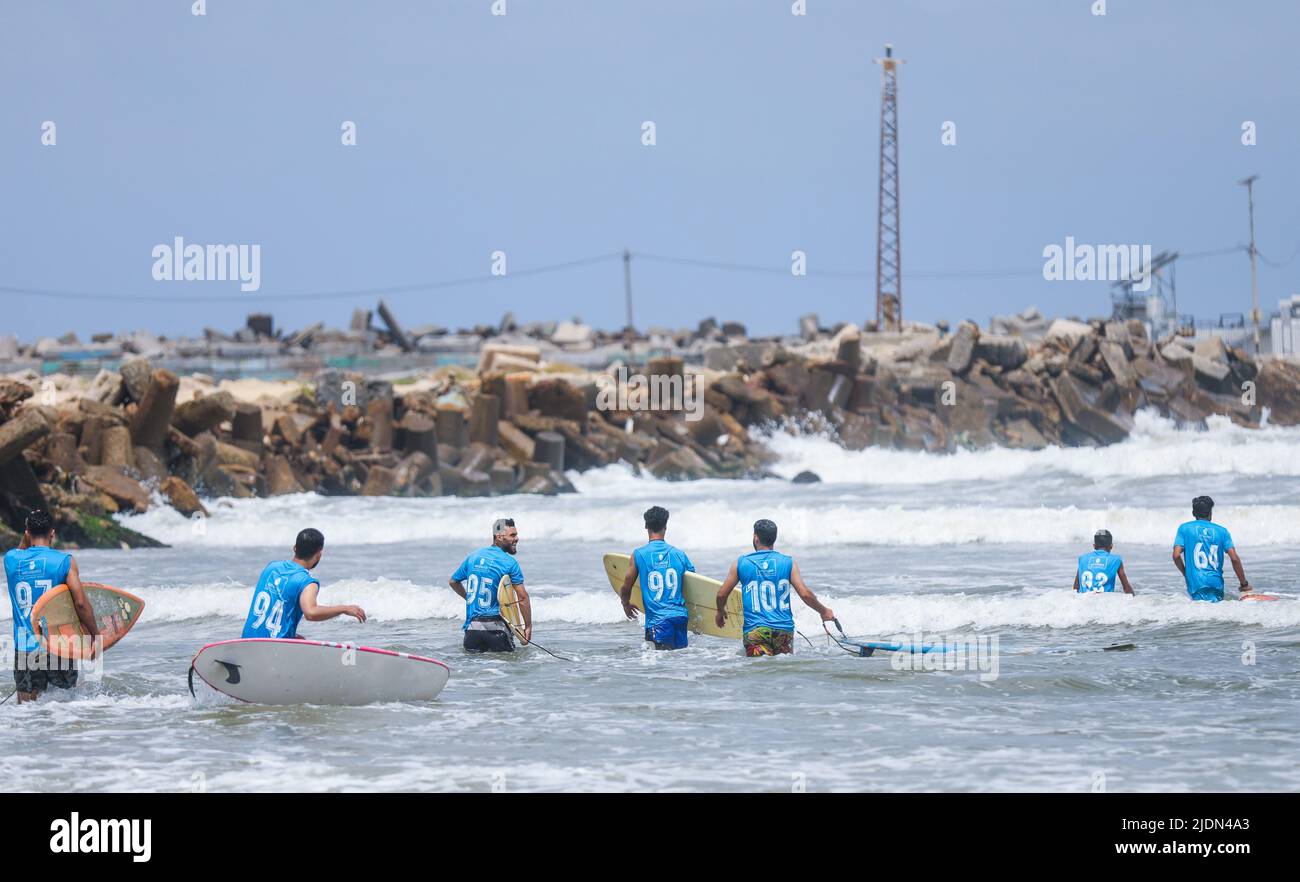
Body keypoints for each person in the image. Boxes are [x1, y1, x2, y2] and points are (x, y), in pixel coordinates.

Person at [3, 510, 99, 702]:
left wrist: (27, 534)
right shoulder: (64, 561)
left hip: (25, 647)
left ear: (27, 532)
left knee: (27, 708)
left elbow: (22, 549)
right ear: (52, 533)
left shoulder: (11, 560)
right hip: (59, 645)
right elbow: (80, 603)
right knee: (65, 704)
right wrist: (95, 635)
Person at [715, 519, 834, 657]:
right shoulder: (788, 562)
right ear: (774, 539)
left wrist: (720, 611)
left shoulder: (741, 563)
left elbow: (721, 595)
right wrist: (823, 611)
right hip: (783, 632)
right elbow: (805, 594)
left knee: (761, 672)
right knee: (781, 673)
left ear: (756, 538)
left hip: (756, 631)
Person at [240, 528, 365, 638]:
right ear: (318, 555)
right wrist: (344, 608)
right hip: (275, 646)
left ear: (295, 548)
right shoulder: (307, 583)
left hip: (248, 640)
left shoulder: (271, 567)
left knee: (299, 639)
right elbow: (311, 613)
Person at [450, 518, 531, 652]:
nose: (517, 538)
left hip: (472, 629)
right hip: (497, 629)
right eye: (512, 535)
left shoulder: (473, 557)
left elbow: (453, 582)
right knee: (509, 668)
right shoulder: (510, 563)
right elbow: (523, 598)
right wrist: (527, 627)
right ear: (499, 537)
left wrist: (470, 597)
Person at [619, 506, 695, 650]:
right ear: (665, 526)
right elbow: (693, 586)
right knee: (679, 663)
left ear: (646, 526)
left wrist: (625, 604)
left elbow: (626, 586)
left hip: (658, 621)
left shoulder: (639, 555)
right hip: (680, 619)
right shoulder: (679, 554)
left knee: (658, 668)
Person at [1172, 496, 1251, 602]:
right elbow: (1234, 558)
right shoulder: (1222, 531)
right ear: (1210, 512)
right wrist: (1244, 584)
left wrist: (1186, 573)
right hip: (1216, 583)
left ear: (1193, 513)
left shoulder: (1184, 528)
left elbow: (1176, 555)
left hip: (1196, 583)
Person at [1074, 529, 1135, 594]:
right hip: (1104, 601)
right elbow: (1126, 588)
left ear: (1094, 546)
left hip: (1083, 601)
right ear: (1111, 546)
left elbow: (1076, 587)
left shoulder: (1083, 559)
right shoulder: (1116, 560)